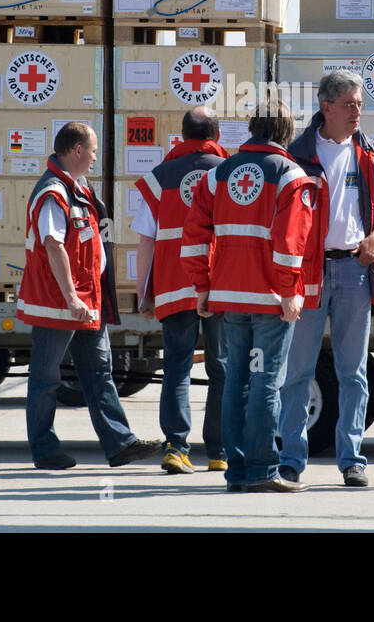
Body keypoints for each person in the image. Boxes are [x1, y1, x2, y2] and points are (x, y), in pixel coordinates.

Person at [180, 98, 324, 492]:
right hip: (269, 299)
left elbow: (193, 236)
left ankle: (237, 471)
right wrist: (291, 290)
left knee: (235, 381)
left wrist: (202, 286)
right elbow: (290, 242)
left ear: (253, 128)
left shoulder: (219, 172)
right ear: (286, 132)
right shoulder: (292, 177)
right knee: (266, 384)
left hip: (228, 296)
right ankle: (262, 471)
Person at [16, 121, 160, 470]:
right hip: (60, 305)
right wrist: (71, 298)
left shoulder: (78, 188)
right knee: (46, 377)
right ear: (77, 151)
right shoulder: (54, 191)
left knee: (100, 374)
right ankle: (45, 450)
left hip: (86, 302)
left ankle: (120, 444)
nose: (96, 157)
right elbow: (54, 246)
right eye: (93, 150)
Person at [279, 70, 374, 487]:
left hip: (353, 269)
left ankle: (352, 459)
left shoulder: (370, 153)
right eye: (349, 104)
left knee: (354, 371)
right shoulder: (296, 154)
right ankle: (291, 459)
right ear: (326, 107)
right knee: (297, 372)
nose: (357, 112)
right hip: (309, 273)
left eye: (360, 104)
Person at [132, 107, 230, 475]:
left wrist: (144, 292)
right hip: (219, 283)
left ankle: (176, 447)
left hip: (174, 285)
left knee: (177, 367)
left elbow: (146, 240)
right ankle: (219, 451)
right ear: (216, 136)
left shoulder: (160, 177)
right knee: (222, 367)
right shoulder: (230, 173)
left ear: (182, 135)